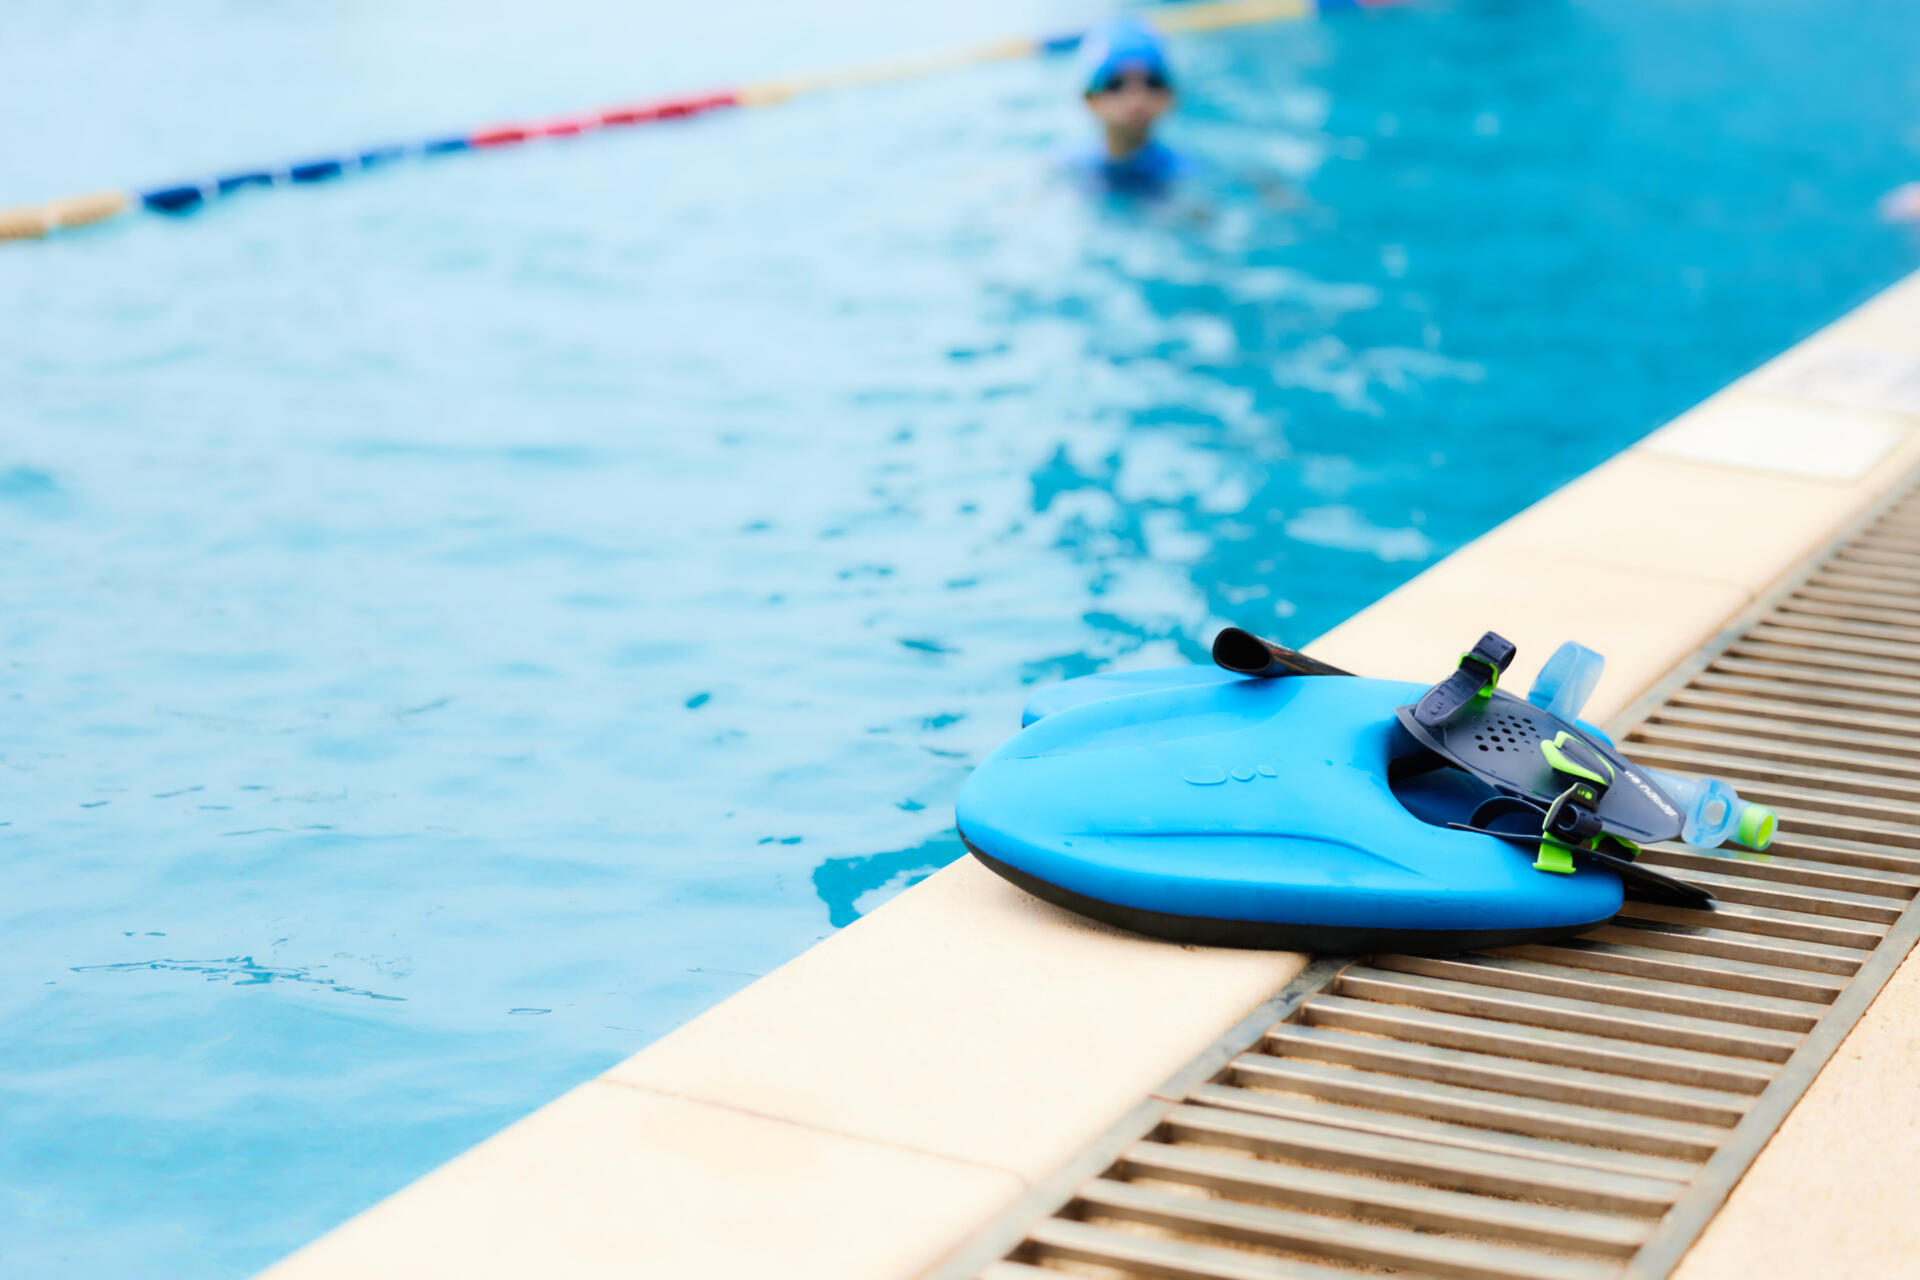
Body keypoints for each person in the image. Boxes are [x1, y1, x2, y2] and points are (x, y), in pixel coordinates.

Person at [1068, 17, 1186, 194]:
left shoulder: (1181, 172)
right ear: (1090, 100)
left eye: (1152, 83)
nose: (1137, 99)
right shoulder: (1070, 169)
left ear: (1169, 97)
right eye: (1116, 85)